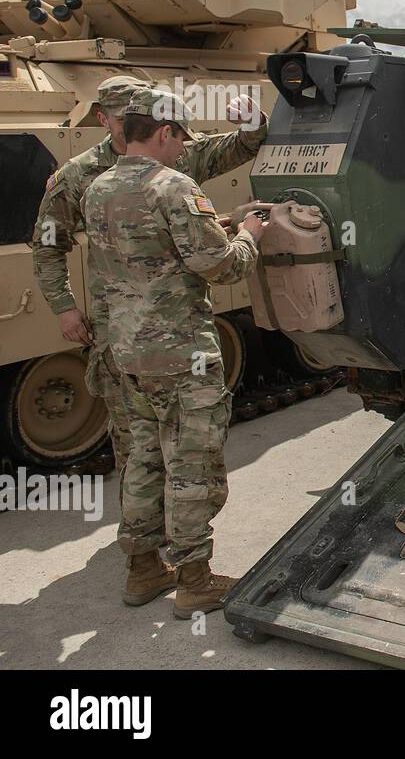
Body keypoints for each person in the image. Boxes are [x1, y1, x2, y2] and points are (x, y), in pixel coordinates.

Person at [82, 89, 266, 616]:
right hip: (181, 354)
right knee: (191, 467)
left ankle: (143, 570)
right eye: (182, 137)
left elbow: (148, 249)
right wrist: (249, 235)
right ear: (165, 132)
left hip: (126, 352)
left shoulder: (98, 188)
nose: (185, 147)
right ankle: (194, 581)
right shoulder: (174, 186)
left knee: (143, 460)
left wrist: (218, 225)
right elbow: (221, 266)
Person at [30, 76, 271, 474]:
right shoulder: (77, 175)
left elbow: (240, 146)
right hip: (118, 334)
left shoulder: (176, 153)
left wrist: (252, 121)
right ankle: (161, 513)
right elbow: (48, 244)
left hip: (173, 329)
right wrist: (64, 307)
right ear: (103, 118)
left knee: (184, 449)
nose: (131, 122)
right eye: (122, 117)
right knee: (137, 448)